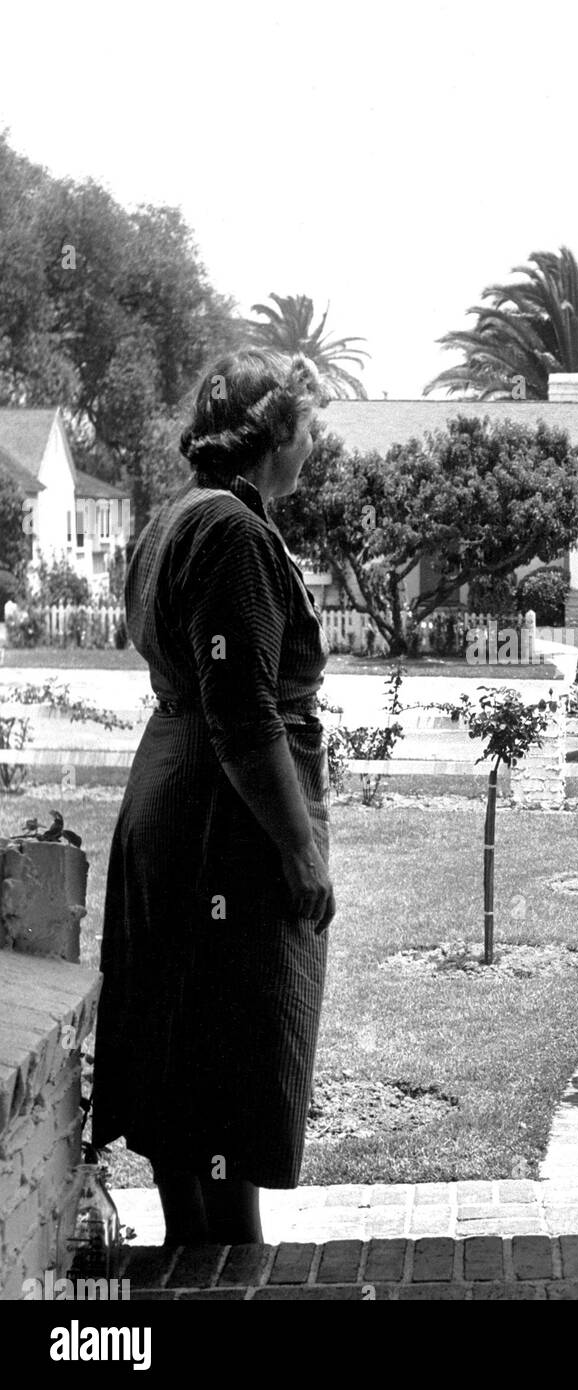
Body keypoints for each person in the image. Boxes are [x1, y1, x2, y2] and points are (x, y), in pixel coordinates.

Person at [89, 348, 337, 1245]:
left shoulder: (172, 518)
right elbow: (242, 712)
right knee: (230, 1050)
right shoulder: (232, 531)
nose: (316, 444)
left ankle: (197, 1257)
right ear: (275, 434)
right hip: (220, 821)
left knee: (182, 1052)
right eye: (309, 428)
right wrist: (301, 848)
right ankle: (231, 1263)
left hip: (170, 792)